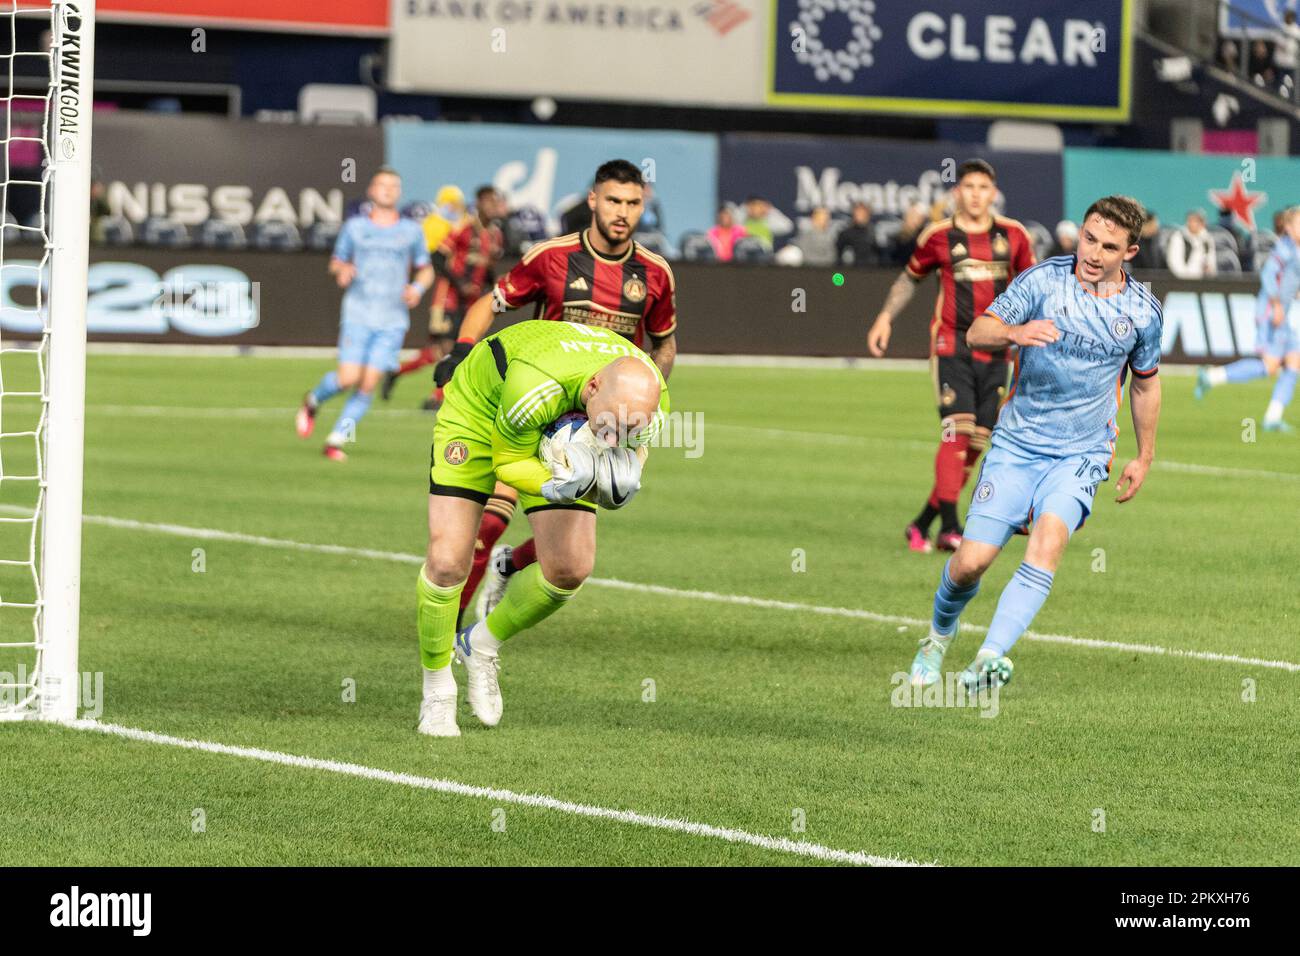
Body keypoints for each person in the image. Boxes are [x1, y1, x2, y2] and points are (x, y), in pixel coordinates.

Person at [907, 195, 1163, 692]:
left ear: (1128, 253)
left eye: (1108, 246)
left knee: (1048, 544)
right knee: (971, 563)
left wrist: (1145, 454)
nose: (1092, 252)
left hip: (1082, 455)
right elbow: (979, 331)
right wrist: (1017, 332)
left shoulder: (1143, 312)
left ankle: (989, 657)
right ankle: (937, 638)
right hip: (1018, 445)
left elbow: (1146, 383)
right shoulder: (1042, 280)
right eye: (1089, 238)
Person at [429, 159, 678, 631]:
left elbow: (663, 343)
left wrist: (648, 397)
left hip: (592, 425)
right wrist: (460, 352)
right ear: (592, 201)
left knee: (569, 557)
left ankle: (510, 567)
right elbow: (491, 301)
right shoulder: (553, 256)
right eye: (613, 201)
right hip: (533, 404)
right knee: (487, 523)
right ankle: (455, 631)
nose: (622, 212)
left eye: (632, 203)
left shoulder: (656, 273)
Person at [417, 320, 668, 736]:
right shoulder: (536, 386)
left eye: (630, 429)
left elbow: (631, 455)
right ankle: (437, 691)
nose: (614, 439)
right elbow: (508, 463)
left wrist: (620, 474)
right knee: (446, 563)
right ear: (592, 388)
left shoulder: (651, 410)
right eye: (610, 424)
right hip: (482, 415)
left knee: (570, 566)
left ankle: (480, 643)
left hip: (559, 424)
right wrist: (560, 484)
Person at [866, 159, 1036, 553]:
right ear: (957, 192)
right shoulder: (938, 236)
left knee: (978, 441)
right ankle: (950, 528)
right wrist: (884, 318)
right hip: (951, 344)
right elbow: (910, 279)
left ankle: (921, 523)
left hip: (997, 347)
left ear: (993, 193)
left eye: (983, 187)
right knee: (955, 431)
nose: (976, 194)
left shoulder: (1014, 236)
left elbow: (1033, 286)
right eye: (969, 186)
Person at [295, 168, 431, 461]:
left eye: (394, 185)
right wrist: (342, 270)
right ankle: (313, 399)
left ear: (399, 192)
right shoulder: (355, 227)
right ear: (371, 190)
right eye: (383, 185)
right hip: (358, 313)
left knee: (368, 383)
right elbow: (336, 261)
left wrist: (418, 288)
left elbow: (426, 268)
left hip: (392, 319)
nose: (388, 190)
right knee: (347, 379)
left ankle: (336, 439)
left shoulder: (411, 231)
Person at [383, 186, 505, 407]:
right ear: (478, 203)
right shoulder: (464, 228)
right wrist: (461, 284)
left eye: (495, 201)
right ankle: (436, 397)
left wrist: (493, 290)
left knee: (453, 349)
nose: (492, 206)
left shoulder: (496, 236)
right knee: (449, 348)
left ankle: (397, 373)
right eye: (488, 201)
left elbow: (486, 269)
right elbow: (438, 257)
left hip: (472, 302)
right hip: (449, 298)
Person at [1196, 204, 1300, 432]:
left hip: (1284, 312)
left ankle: (1273, 417)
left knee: (1294, 362)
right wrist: (1276, 305)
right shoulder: (1284, 249)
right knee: (1270, 366)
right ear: (1289, 227)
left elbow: (1290, 280)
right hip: (1272, 312)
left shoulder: (1295, 250)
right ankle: (1213, 376)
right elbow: (1268, 275)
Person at [1166, 209, 1217, 279]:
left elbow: (1211, 261)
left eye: (1198, 221)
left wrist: (1208, 271)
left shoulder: (1207, 239)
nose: (1193, 224)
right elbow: (1175, 263)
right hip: (1182, 281)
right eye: (1191, 221)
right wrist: (1187, 279)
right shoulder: (1178, 237)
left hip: (1202, 282)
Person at [836, 201, 878, 267]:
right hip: (851, 270)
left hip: (871, 270)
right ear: (854, 215)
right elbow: (839, 254)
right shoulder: (845, 234)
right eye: (858, 213)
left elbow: (877, 254)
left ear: (868, 215)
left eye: (863, 213)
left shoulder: (873, 232)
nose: (860, 216)